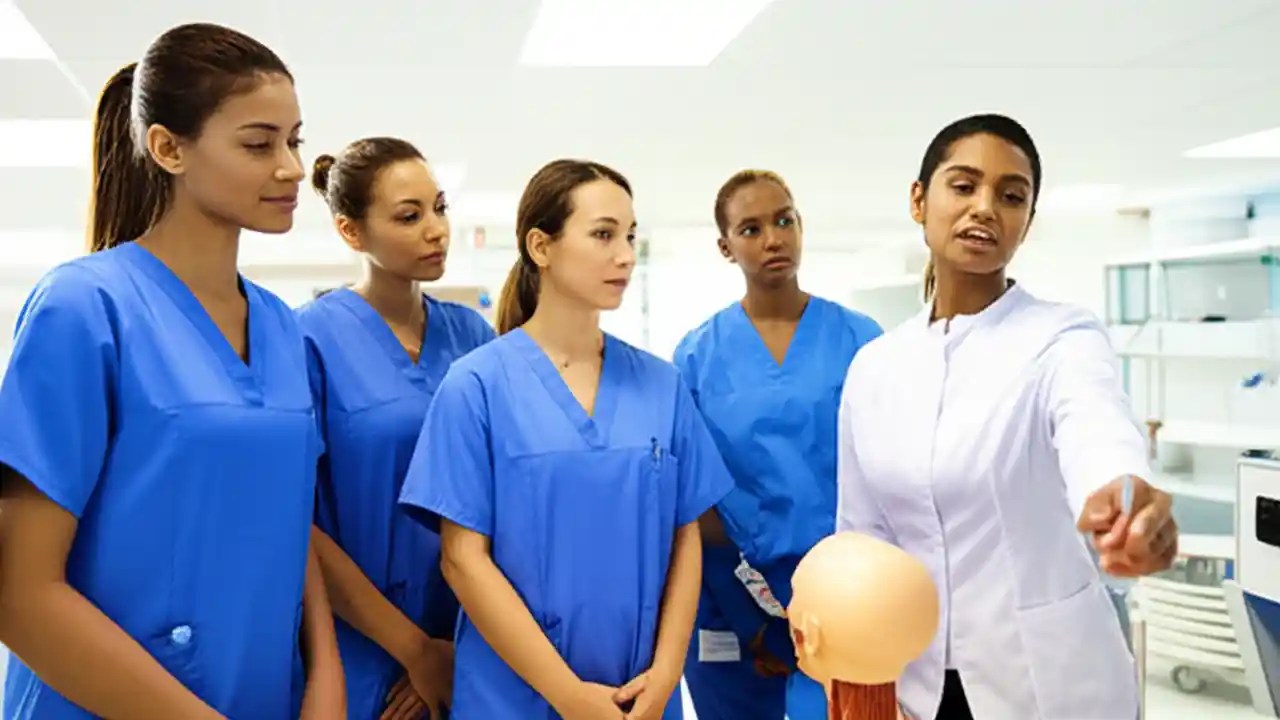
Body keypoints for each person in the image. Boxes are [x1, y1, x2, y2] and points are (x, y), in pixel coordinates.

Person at [0, 22, 345, 720]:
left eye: (294, 140)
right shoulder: (85, 307)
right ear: (167, 148)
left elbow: (285, 521)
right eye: (258, 143)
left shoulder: (281, 325)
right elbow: (19, 593)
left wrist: (326, 679)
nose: (290, 167)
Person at [834, 113, 1178, 720]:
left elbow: (1093, 421)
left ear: (1028, 220)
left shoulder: (1060, 337)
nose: (985, 207)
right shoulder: (874, 368)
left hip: (1046, 684)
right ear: (920, 200)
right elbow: (862, 538)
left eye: (1011, 195)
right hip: (916, 686)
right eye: (963, 186)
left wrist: (1124, 493)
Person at [397, 159, 734, 719]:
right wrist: (568, 695)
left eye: (629, 236)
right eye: (603, 234)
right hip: (517, 698)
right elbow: (463, 560)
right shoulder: (477, 385)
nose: (625, 255)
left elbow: (686, 536)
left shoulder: (660, 385)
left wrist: (669, 672)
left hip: (642, 697)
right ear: (541, 246)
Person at [673, 170, 883, 720]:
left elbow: (890, 474)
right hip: (730, 596)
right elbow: (694, 501)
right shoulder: (697, 356)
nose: (773, 238)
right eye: (751, 228)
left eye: (784, 220)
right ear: (726, 246)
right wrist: (755, 621)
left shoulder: (861, 340)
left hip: (846, 597)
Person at [300, 137, 496, 720]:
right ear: (351, 232)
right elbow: (297, 522)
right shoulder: (307, 340)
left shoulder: (473, 339)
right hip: (359, 649)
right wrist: (413, 652)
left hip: (469, 641)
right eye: (409, 217)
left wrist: (451, 651)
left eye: (439, 208)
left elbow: (502, 501)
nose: (436, 230)